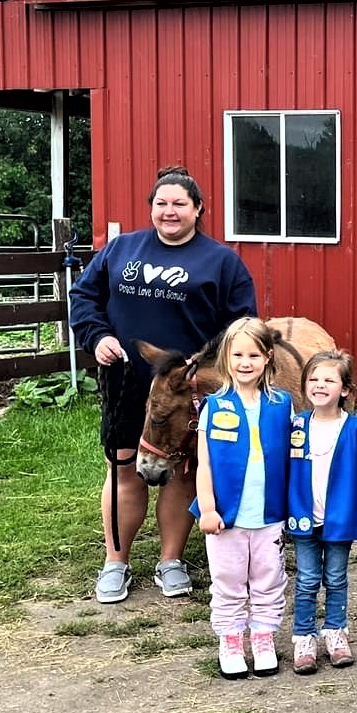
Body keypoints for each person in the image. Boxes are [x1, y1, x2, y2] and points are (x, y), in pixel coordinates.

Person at [69, 165, 257, 605]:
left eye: (179, 204)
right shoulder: (122, 250)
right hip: (127, 382)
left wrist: (207, 361)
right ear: (151, 207)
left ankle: (170, 560)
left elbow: (242, 323)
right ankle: (116, 561)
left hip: (187, 392)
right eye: (161, 204)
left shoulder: (222, 262)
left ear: (198, 209)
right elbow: (84, 297)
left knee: (181, 473)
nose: (169, 212)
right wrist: (98, 337)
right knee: (124, 468)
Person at [191, 317, 292, 679]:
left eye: (253, 354)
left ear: (267, 358)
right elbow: (204, 464)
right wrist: (206, 507)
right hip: (226, 517)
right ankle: (231, 640)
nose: (245, 362)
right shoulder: (213, 406)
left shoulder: (282, 405)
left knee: (269, 579)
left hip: (270, 514)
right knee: (229, 581)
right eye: (237, 354)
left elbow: (293, 459)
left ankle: (263, 638)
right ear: (226, 358)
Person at [286, 350, 357, 675]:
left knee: (336, 578)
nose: (320, 385)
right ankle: (304, 637)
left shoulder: (355, 429)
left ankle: (335, 631)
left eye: (329, 380)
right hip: (302, 517)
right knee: (306, 580)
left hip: (340, 518)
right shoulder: (294, 426)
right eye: (314, 379)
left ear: (345, 389)